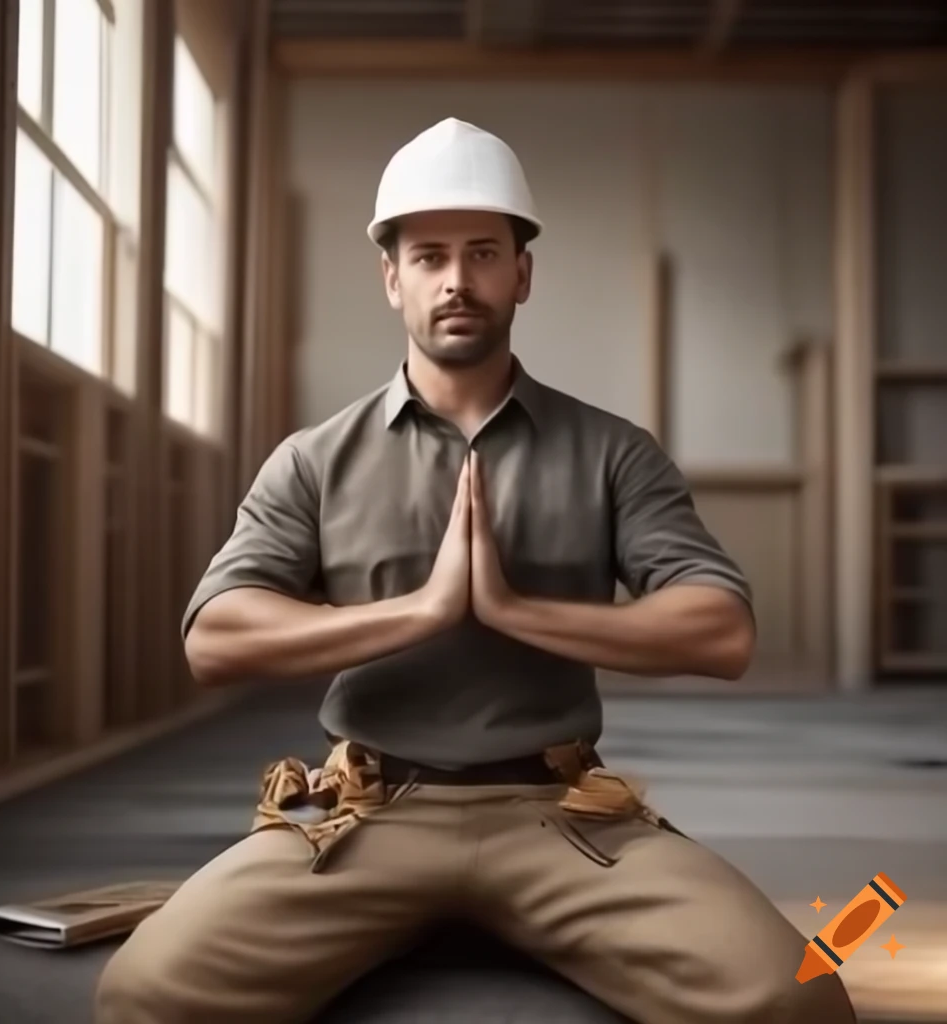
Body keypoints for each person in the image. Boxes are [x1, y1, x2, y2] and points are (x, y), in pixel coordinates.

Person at [95, 118, 856, 1024]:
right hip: (368, 812)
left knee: (798, 997)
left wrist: (512, 608)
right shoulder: (313, 458)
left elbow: (721, 630)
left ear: (521, 273)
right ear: (393, 277)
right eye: (428, 257)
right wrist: (421, 612)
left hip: (561, 813)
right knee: (145, 997)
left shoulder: (613, 451)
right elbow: (213, 637)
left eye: (484, 253)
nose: (457, 280)